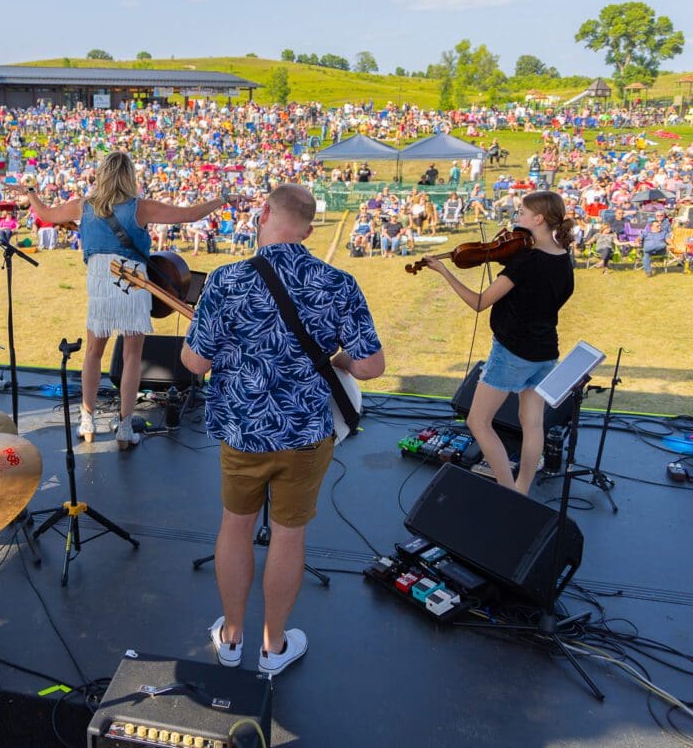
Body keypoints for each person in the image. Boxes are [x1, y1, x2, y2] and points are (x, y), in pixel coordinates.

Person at [180, 184, 384, 676]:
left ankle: (231, 639)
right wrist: (333, 357)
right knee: (289, 537)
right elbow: (371, 367)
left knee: (235, 526)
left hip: (243, 432)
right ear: (309, 230)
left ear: (265, 213)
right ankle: (273, 647)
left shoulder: (226, 281)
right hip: (307, 436)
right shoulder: (338, 282)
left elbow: (192, 361)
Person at [8, 151, 226, 449]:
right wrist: (223, 198)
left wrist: (31, 194)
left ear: (103, 174)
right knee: (132, 356)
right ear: (128, 176)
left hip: (100, 283)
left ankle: (87, 420)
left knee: (93, 354)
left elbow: (45, 215)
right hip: (133, 282)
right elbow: (189, 214)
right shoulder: (140, 208)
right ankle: (124, 427)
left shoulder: (85, 206)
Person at [421, 191, 575, 494]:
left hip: (512, 353)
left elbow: (479, 302)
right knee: (532, 424)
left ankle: (507, 490)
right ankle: (523, 488)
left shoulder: (526, 262)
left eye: (521, 213)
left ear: (538, 219)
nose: (516, 218)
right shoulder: (563, 259)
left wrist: (444, 271)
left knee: (478, 421)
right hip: (546, 352)